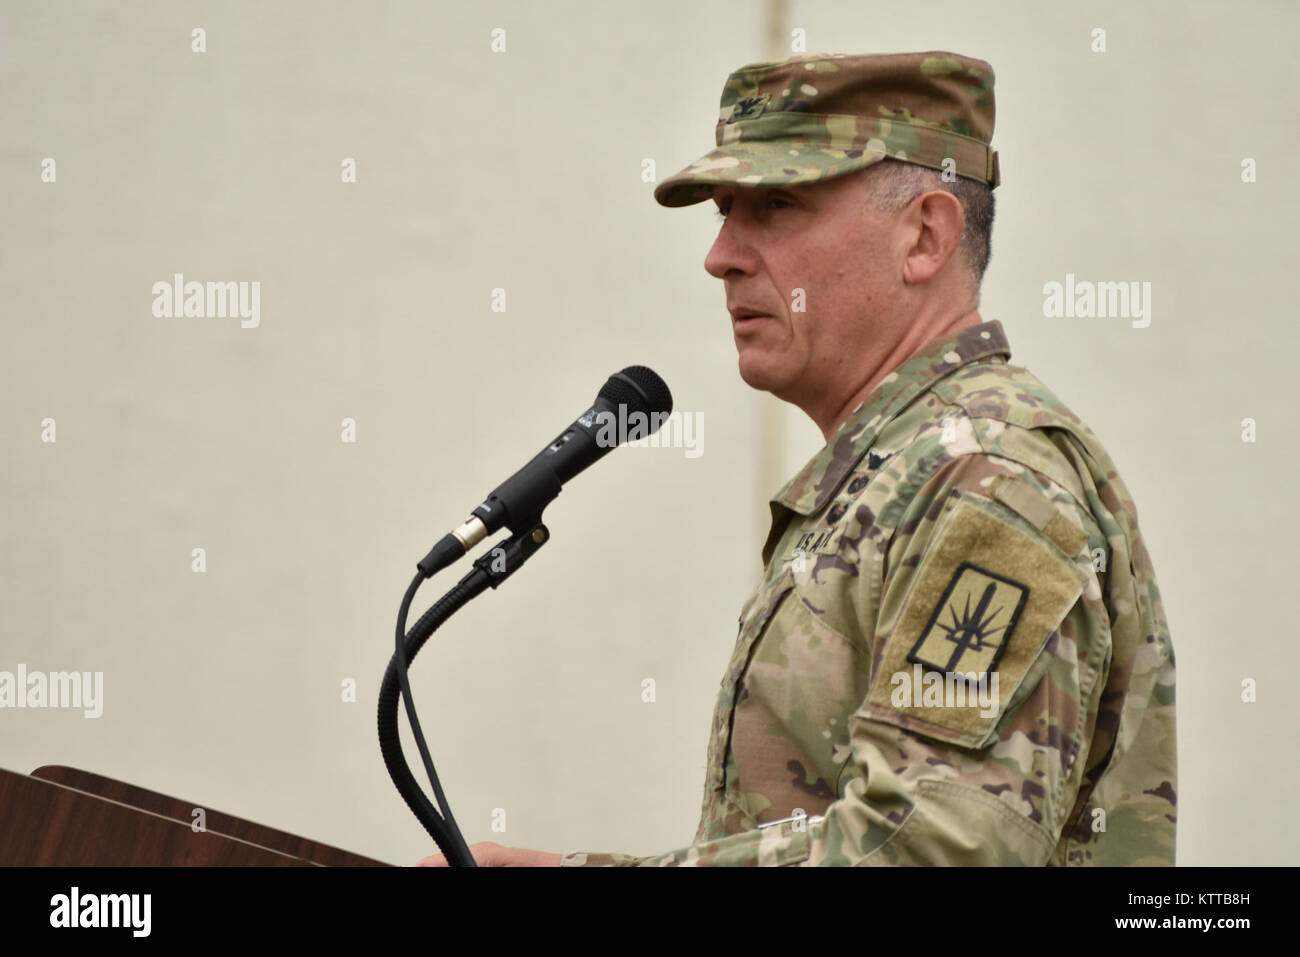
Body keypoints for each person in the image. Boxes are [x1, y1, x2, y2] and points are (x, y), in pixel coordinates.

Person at [419, 50, 1176, 867]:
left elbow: (927, 852)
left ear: (925, 235)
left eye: (776, 206)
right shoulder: (899, 472)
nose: (722, 256)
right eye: (723, 211)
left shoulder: (991, 480)